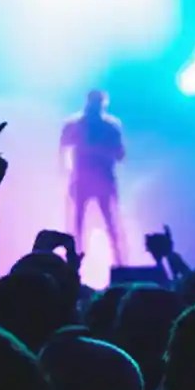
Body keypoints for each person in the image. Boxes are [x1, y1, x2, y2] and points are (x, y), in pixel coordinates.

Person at [60, 90, 126, 266]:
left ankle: (119, 263)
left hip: (98, 180)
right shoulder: (78, 125)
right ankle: (75, 263)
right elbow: (63, 149)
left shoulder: (108, 127)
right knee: (79, 224)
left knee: (108, 224)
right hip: (86, 180)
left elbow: (120, 154)